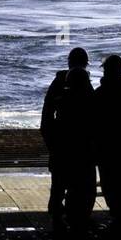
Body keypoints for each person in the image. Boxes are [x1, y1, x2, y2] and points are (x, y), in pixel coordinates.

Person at [40, 47, 89, 229]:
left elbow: (46, 116)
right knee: (76, 186)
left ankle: (60, 217)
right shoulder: (85, 84)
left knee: (59, 184)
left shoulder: (59, 84)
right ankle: (73, 219)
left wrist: (51, 141)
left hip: (61, 143)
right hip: (77, 145)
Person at [91, 54, 121, 227]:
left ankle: (118, 215)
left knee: (108, 182)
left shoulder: (99, 93)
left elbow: (93, 122)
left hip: (106, 147)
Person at [54, 66, 98, 233]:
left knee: (71, 186)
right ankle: (82, 219)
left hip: (67, 151)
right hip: (85, 151)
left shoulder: (62, 101)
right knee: (87, 188)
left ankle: (71, 219)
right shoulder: (91, 101)